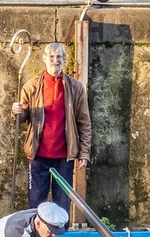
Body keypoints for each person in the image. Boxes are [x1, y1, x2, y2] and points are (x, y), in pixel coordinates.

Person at [12, 42, 91, 211]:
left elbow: (84, 122)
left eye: (59, 57)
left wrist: (84, 152)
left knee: (62, 205)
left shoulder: (75, 87)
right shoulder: (31, 86)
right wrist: (17, 112)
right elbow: (22, 118)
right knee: (36, 205)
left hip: (64, 157)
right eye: (52, 57)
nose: (55, 60)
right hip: (38, 155)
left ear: (64, 60)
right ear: (44, 59)